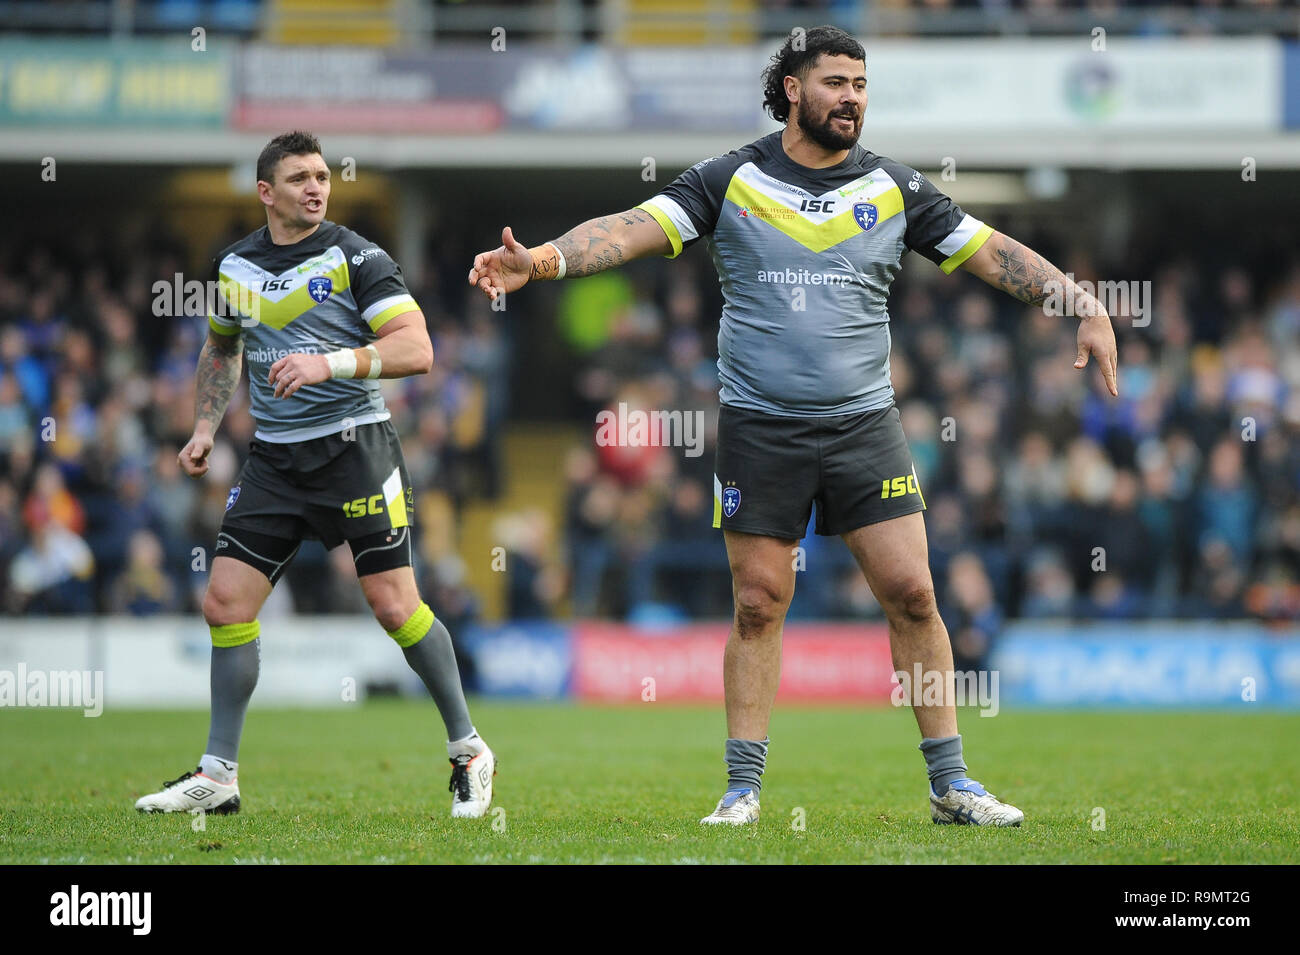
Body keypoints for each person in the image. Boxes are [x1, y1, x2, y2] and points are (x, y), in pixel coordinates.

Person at [469, 27, 1118, 827]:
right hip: (761, 426)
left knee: (915, 593)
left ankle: (952, 783)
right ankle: (742, 789)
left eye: (861, 84)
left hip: (864, 426)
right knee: (759, 603)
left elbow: (992, 254)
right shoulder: (729, 178)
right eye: (836, 82)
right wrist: (543, 261)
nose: (852, 97)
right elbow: (633, 227)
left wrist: (1081, 304)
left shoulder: (896, 188)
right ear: (791, 91)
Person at [136, 131, 494, 819]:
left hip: (356, 448)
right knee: (225, 605)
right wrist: (206, 426)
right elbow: (221, 348)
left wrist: (327, 363)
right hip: (274, 457)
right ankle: (219, 774)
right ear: (266, 192)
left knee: (393, 605)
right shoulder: (234, 265)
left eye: (322, 176)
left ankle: (469, 749)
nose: (316, 186)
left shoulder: (357, 255)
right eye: (299, 177)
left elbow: (416, 349)